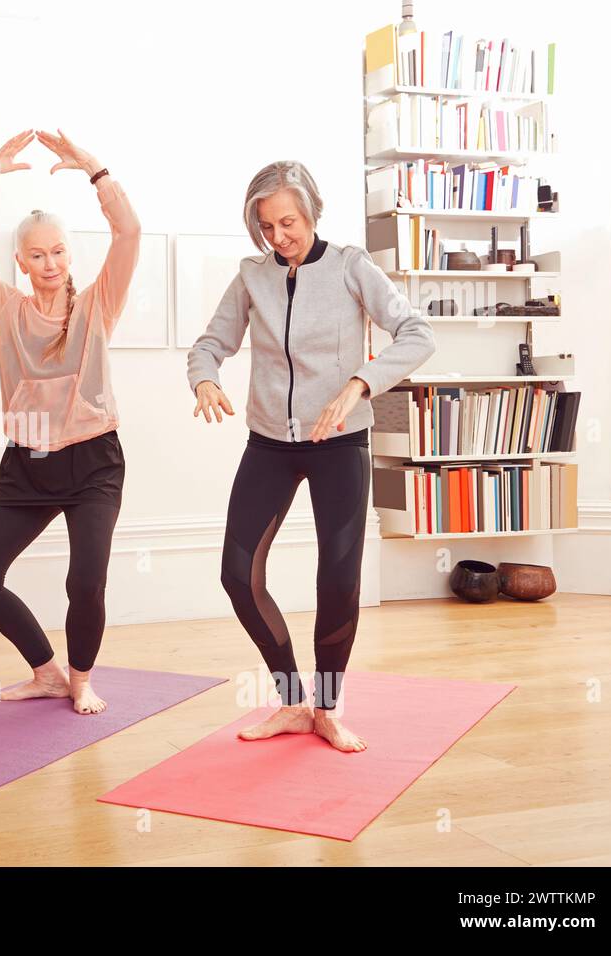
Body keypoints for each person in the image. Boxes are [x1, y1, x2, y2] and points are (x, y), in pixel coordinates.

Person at [187, 160, 435, 751]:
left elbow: (417, 334)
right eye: (266, 226)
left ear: (312, 212)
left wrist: (361, 384)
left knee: (338, 580)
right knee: (237, 574)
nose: (278, 237)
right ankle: (292, 700)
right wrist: (204, 378)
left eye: (288, 223)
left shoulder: (351, 266)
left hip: (340, 442)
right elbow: (209, 344)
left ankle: (326, 709)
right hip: (270, 442)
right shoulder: (252, 276)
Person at [0, 129, 141, 715]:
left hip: (94, 461)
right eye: (37, 255)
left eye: (57, 252)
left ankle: (81, 679)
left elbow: (128, 232)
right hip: (28, 464)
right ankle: (46, 672)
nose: (49, 263)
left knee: (85, 581)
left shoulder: (98, 304)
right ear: (20, 261)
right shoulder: (5, 308)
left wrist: (95, 170)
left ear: (68, 255)